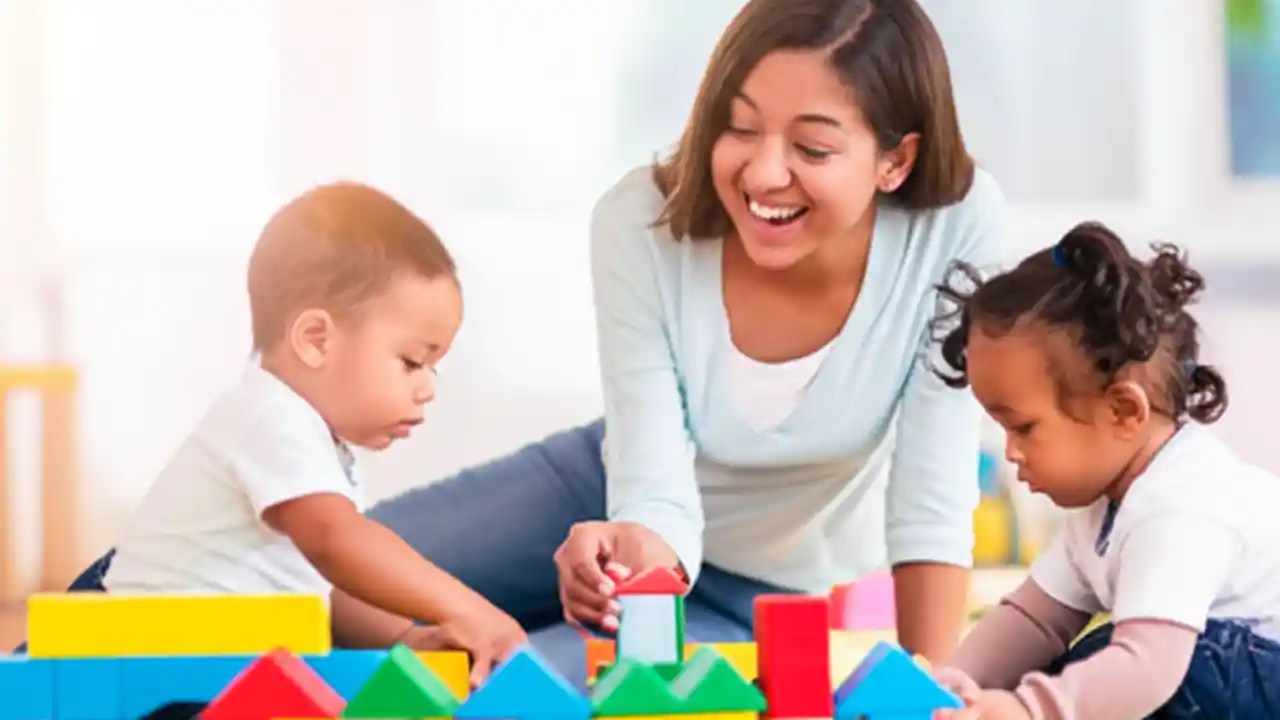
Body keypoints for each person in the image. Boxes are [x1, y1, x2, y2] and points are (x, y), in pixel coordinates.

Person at [326, 0, 1007, 686]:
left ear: (896, 160)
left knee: (519, 693)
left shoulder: (957, 227)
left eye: (812, 148)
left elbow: (932, 493)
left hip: (754, 590)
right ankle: (460, 642)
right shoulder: (638, 222)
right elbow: (651, 479)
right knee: (333, 585)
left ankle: (489, 653)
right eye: (739, 128)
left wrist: (932, 687)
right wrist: (448, 630)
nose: (765, 174)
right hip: (609, 494)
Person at [50, 183, 527, 685]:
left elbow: (327, 585)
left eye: (434, 368)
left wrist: (402, 639)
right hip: (142, 655)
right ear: (315, 339)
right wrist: (470, 609)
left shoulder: (313, 444)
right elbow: (336, 545)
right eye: (412, 362)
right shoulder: (269, 416)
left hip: (203, 655)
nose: (428, 388)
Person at [929, 222, 1280, 719]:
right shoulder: (1105, 506)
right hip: (1212, 672)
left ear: (1123, 412)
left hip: (1257, 670)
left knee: (1120, 666)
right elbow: (1035, 618)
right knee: (1060, 669)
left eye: (1024, 428)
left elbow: (1149, 669)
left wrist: (1027, 712)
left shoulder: (1180, 506)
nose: (1010, 453)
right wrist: (956, 684)